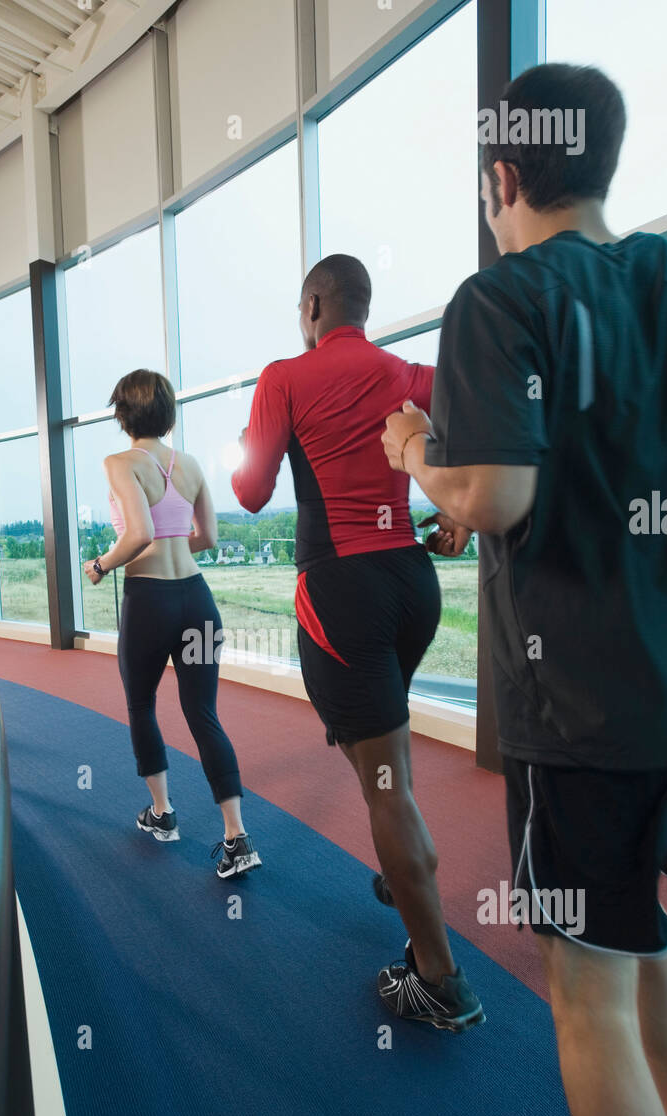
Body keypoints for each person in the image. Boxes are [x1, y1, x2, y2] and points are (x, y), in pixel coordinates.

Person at [382, 62, 667, 1116]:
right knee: (640, 921)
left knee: (582, 991)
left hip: (582, 710)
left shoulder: (500, 297)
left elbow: (489, 496)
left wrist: (416, 448)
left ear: (502, 178)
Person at [233, 253, 484, 1031]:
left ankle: (440, 982)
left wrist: (254, 440)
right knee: (386, 757)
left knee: (385, 788)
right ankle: (401, 870)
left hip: (341, 593)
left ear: (313, 307)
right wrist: (460, 512)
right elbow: (485, 419)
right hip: (413, 586)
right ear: (363, 308)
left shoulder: (284, 377)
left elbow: (250, 492)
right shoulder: (406, 373)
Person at [87, 368, 261, 880]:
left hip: (149, 602)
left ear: (123, 415)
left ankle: (162, 815)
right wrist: (171, 546)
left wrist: (100, 565)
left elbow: (138, 533)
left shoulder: (119, 463)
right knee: (203, 714)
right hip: (196, 600)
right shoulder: (190, 464)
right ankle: (237, 837)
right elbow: (207, 537)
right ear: (167, 414)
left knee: (141, 705)